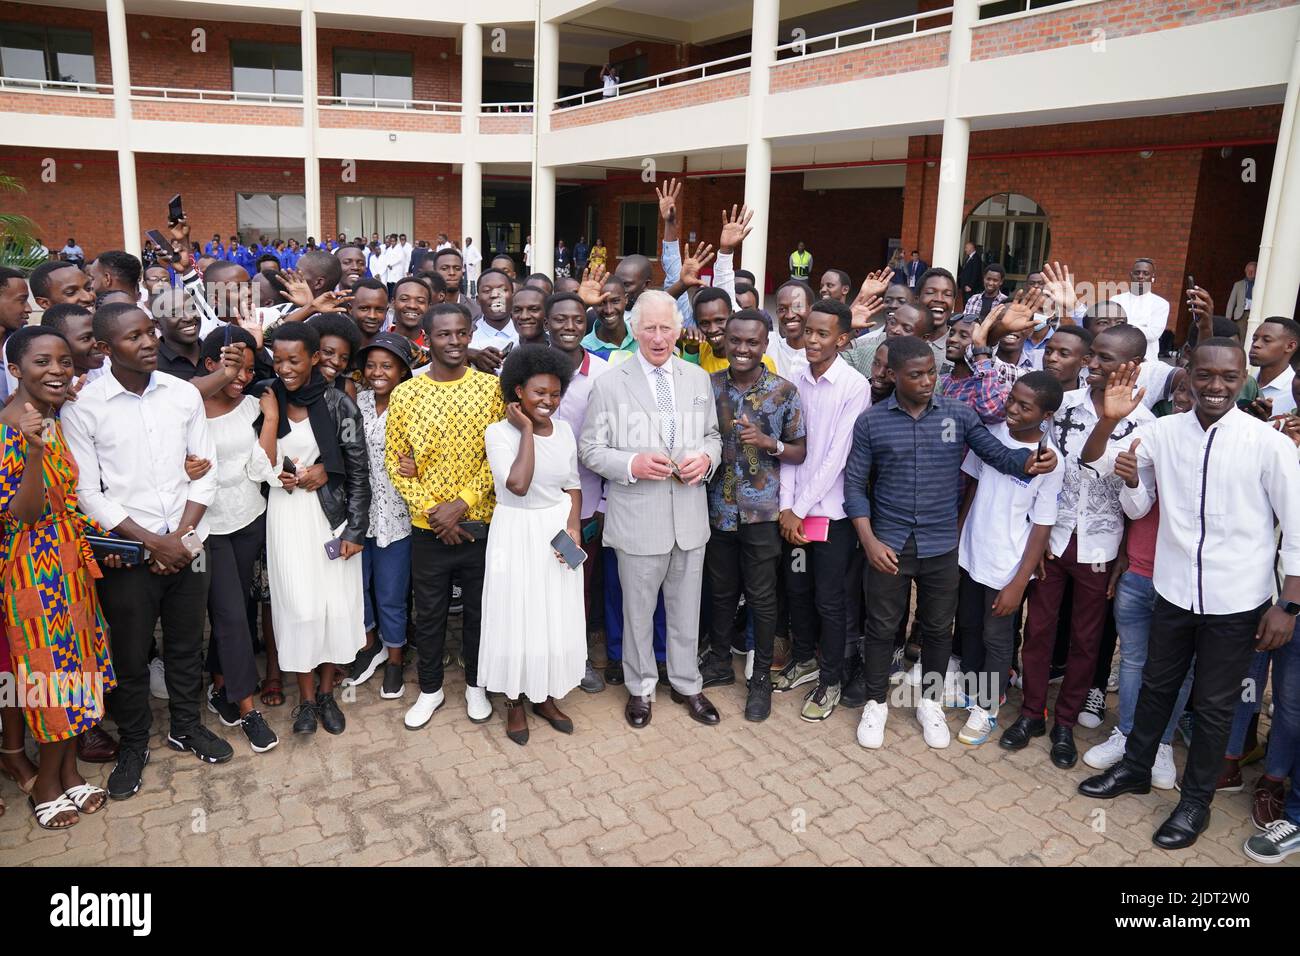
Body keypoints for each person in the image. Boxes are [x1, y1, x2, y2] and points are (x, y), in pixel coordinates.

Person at [1078, 343, 1300, 850]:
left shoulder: (1267, 444)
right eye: (1204, 375)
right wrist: (1110, 425)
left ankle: (1196, 801)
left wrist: (1288, 604)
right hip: (1173, 591)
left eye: (1227, 376)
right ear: (1189, 376)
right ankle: (1136, 767)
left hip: (1237, 600)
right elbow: (1121, 488)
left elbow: (1298, 524)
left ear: (1242, 379)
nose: (1215, 386)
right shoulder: (1160, 432)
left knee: (1215, 705)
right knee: (1157, 686)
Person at [844, 335, 1060, 750]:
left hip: (942, 546)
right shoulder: (872, 421)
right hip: (887, 544)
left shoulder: (958, 415)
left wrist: (1031, 462)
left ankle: (929, 703)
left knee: (939, 629)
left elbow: (998, 456)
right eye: (916, 375)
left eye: (932, 372)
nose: (927, 381)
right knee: (882, 627)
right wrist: (868, 540)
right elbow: (854, 485)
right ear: (893, 375)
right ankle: (875, 704)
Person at [62, 303, 230, 799]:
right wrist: (153, 542)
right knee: (131, 654)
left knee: (185, 645)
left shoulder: (181, 395)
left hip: (188, 541)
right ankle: (134, 740)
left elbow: (208, 467)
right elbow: (88, 493)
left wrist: (178, 537)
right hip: (130, 552)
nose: (149, 341)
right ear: (106, 348)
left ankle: (185, 725)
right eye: (134, 336)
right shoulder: (83, 408)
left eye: (150, 332)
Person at [1001, 324, 1153, 769]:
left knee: (1086, 641)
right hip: (1053, 538)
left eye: (1106, 359)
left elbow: (1139, 504)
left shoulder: (1145, 423)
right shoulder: (1061, 406)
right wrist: (1039, 534)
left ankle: (1065, 723)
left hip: (1100, 548)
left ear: (1134, 366)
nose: (1093, 365)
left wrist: (1125, 545)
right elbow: (1043, 472)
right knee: (1040, 630)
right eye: (1094, 355)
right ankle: (1032, 713)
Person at [579, 290, 723, 729]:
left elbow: (714, 435)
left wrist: (708, 459)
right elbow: (589, 449)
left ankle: (686, 683)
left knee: (685, 609)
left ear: (679, 331)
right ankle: (640, 688)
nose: (658, 337)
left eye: (666, 328)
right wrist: (631, 464)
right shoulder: (608, 383)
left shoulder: (698, 378)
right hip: (638, 519)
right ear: (634, 330)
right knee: (637, 612)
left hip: (689, 519)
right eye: (649, 328)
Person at [0, 327, 117, 829]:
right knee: (50, 678)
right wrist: (30, 451)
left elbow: (68, 497)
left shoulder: (53, 421)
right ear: (14, 371)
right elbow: (23, 515)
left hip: (69, 564)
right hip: (30, 571)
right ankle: (46, 783)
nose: (56, 371)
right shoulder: (9, 428)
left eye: (64, 362)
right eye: (42, 362)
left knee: (77, 668)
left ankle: (69, 772)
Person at [387, 303, 505, 730]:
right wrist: (436, 512)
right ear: (427, 338)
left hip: (479, 525)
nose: (453, 342)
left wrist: (462, 505)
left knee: (479, 611)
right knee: (430, 614)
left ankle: (477, 685)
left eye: (460, 333)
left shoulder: (491, 390)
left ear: (470, 334)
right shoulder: (407, 394)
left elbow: (498, 457)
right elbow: (394, 462)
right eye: (443, 335)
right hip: (428, 529)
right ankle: (431, 689)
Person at [254, 322, 370, 736]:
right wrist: (276, 473)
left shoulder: (340, 403)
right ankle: (304, 701)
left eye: (294, 359)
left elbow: (359, 468)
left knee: (333, 608)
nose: (284, 367)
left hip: (330, 518)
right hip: (286, 518)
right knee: (299, 609)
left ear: (315, 358)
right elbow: (257, 466)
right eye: (278, 359)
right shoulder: (266, 397)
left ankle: (325, 693)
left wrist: (355, 529)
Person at [479, 346, 587, 744]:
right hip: (516, 530)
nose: (548, 402)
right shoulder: (499, 433)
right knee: (515, 614)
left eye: (555, 394)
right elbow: (518, 485)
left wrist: (573, 528)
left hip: (556, 530)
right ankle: (513, 702)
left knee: (551, 614)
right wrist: (526, 431)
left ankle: (543, 695)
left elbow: (572, 484)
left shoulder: (566, 431)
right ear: (518, 392)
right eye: (539, 393)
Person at [704, 310, 807, 721]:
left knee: (763, 598)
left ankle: (760, 677)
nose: (743, 349)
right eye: (736, 341)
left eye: (752, 343)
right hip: (717, 512)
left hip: (763, 515)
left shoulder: (783, 391)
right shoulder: (708, 386)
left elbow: (800, 450)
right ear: (726, 342)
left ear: (765, 345)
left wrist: (770, 442)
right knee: (721, 591)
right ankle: (716, 663)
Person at [954, 371, 1064, 746]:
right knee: (968, 625)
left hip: (1006, 565)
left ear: (1045, 416)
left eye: (1024, 406)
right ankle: (974, 688)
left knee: (996, 636)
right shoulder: (992, 434)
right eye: (1011, 399)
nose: (1012, 409)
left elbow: (1042, 526)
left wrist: (1019, 582)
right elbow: (972, 487)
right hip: (971, 552)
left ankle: (988, 706)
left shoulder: (1049, 461)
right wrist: (957, 536)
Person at [772, 299, 866, 722]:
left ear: (842, 340)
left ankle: (830, 678)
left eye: (821, 333)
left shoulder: (854, 386)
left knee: (830, 599)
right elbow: (792, 450)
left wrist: (801, 508)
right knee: (796, 590)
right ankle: (804, 660)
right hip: (795, 514)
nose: (811, 339)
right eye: (808, 331)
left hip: (831, 516)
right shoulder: (794, 379)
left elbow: (836, 458)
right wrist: (788, 508)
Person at [196, 327, 278, 753]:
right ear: (211, 365)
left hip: (248, 517)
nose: (244, 376)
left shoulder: (252, 406)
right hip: (206, 527)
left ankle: (221, 685)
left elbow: (260, 468)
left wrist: (273, 419)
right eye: (234, 367)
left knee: (240, 608)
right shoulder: (185, 409)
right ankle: (248, 709)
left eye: (249, 368)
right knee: (228, 613)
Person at [343, 332, 415, 700]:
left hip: (398, 516)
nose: (377, 372)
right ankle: (370, 645)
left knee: (391, 592)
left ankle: (395, 660)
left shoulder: (415, 401)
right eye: (371, 365)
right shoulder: (357, 402)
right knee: (359, 587)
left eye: (386, 365)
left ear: (402, 370)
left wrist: (418, 464)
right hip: (359, 514)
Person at [547, 292, 610, 692]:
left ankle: (579, 657)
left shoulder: (604, 374)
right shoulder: (531, 367)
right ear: (547, 323)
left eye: (576, 319)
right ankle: (545, 656)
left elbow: (616, 441)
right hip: (535, 504)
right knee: (539, 582)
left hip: (582, 506)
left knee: (578, 583)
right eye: (560, 319)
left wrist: (602, 503)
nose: (569, 326)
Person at [1109, 258, 1169, 362]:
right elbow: (1110, 328)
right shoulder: (1116, 300)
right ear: (1131, 275)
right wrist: (1140, 327)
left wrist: (1122, 325)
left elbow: (1153, 334)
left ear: (1152, 277)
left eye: (1146, 273)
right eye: (1137, 273)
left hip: (1147, 360)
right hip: (1117, 357)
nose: (1141, 276)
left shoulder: (1161, 304)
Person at [1249, 316, 1299, 416]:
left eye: (1266, 340)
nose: (1256, 344)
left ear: (1290, 346)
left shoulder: (1295, 392)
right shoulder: (1244, 383)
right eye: (1254, 339)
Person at [1225, 260, 1256, 342]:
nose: (1250, 273)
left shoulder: (1260, 284)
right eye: (1248, 271)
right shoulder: (1238, 284)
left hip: (1254, 314)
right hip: (1241, 314)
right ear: (1245, 271)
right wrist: (1228, 318)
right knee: (1240, 337)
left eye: (1252, 271)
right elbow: (1231, 302)